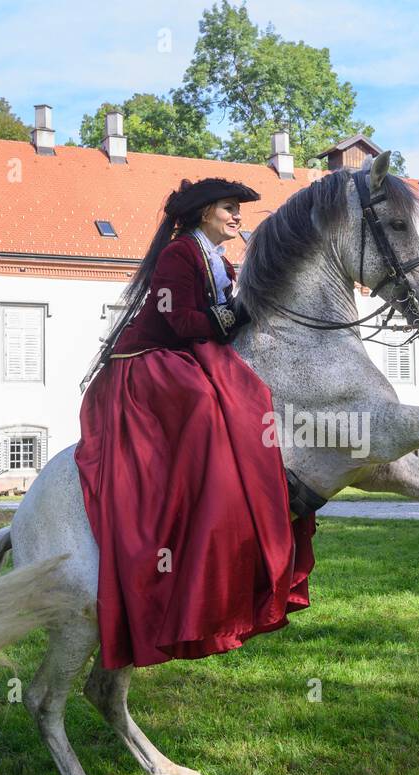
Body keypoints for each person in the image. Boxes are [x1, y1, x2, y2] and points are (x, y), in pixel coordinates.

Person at [74, 177, 317, 670]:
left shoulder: (219, 260)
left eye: (237, 210)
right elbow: (182, 323)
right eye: (229, 208)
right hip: (146, 361)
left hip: (186, 351)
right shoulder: (178, 256)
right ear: (205, 213)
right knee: (209, 407)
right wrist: (237, 314)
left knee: (250, 390)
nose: (237, 216)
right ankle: (219, 494)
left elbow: (223, 318)